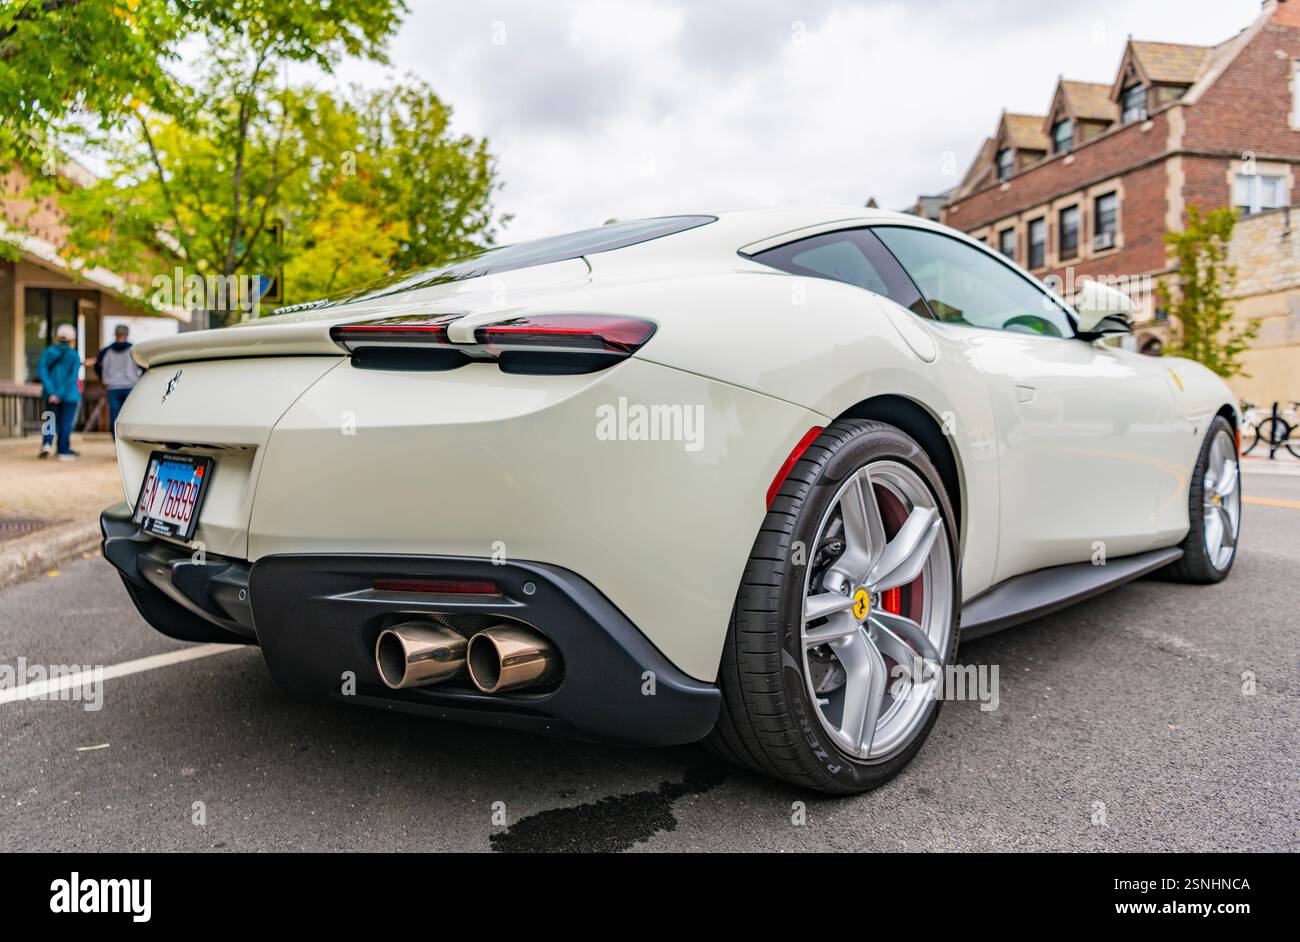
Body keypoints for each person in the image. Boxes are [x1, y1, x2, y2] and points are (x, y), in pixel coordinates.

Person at [37, 324, 82, 461]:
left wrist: (52, 392)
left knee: (49, 420)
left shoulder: (48, 352)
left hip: (49, 396)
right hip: (69, 396)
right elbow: (71, 378)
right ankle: (63, 450)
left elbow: (42, 371)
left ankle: (46, 444)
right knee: (65, 423)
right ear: (72, 339)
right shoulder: (74, 355)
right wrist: (60, 394)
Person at [94, 324, 142, 437]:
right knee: (130, 416)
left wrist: (103, 380)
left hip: (112, 387)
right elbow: (143, 367)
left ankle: (116, 440)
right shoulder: (134, 350)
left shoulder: (106, 351)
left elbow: (97, 367)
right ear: (127, 334)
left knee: (114, 417)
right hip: (130, 386)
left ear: (115, 334)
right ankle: (129, 439)